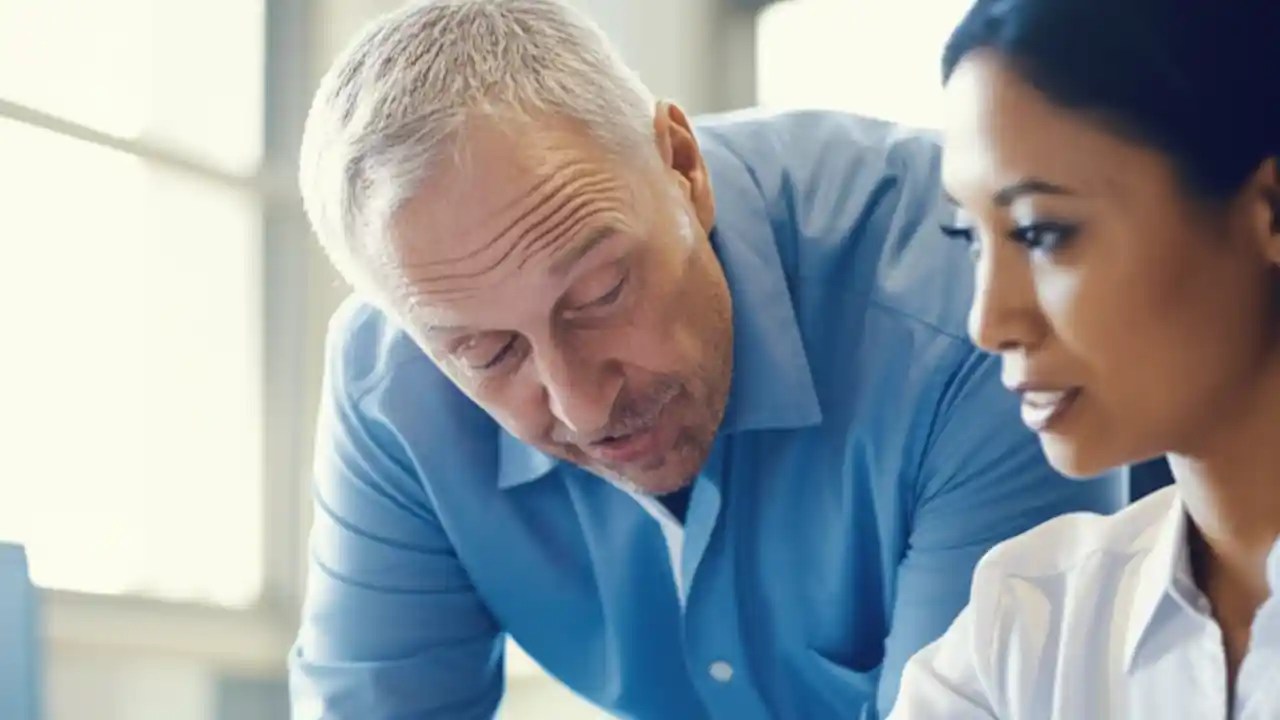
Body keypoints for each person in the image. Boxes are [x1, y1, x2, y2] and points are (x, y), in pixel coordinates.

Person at [288, 1, 1122, 717]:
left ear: (682, 166)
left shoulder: (978, 307)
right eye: (489, 352)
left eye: (601, 293)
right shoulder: (391, 387)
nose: (580, 405)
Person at [890, 1, 1280, 718]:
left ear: (1270, 210)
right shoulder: (1024, 627)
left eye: (1043, 233)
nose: (987, 321)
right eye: (970, 238)